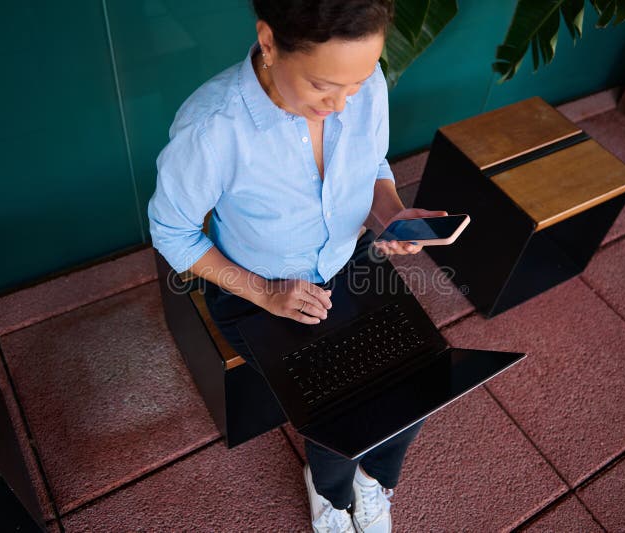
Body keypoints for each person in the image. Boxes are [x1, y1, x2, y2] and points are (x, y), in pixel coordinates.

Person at [149, 1, 446, 531]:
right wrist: (265, 293)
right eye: (322, 87)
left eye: (354, 86)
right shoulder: (214, 128)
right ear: (268, 41)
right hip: (259, 292)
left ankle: (374, 479)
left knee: (420, 376)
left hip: (348, 258)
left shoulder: (364, 82)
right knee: (340, 404)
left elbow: (372, 165)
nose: (342, 103)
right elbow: (171, 232)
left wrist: (390, 216)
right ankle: (330, 491)